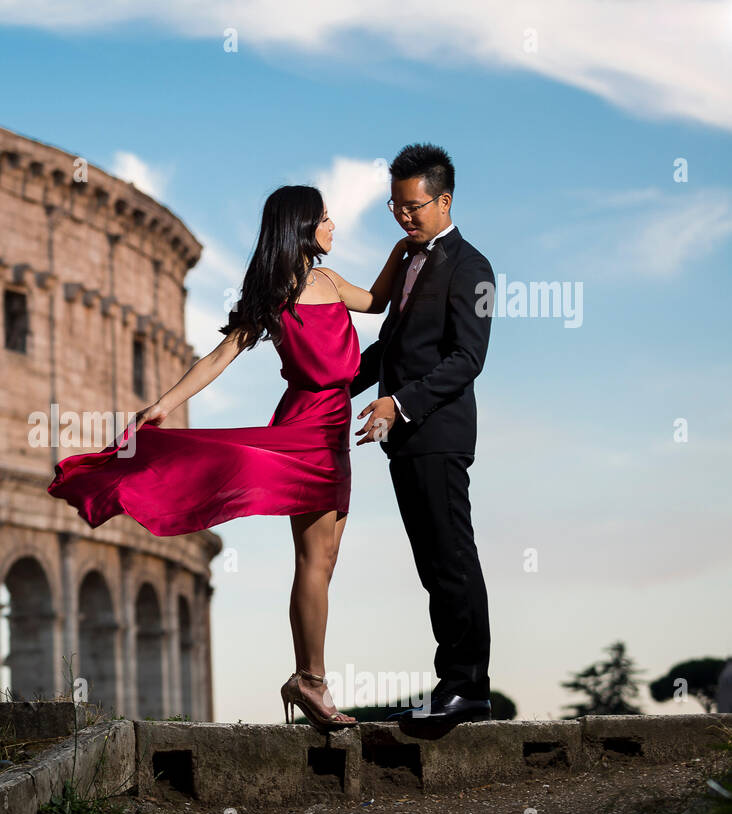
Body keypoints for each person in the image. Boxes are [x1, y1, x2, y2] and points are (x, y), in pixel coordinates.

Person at [47, 184, 405, 731]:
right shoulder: (275, 290)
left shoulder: (330, 279)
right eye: (326, 219)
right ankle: (312, 681)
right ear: (303, 225)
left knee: (326, 558)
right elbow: (220, 356)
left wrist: (403, 251)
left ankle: (302, 678)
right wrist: (164, 404)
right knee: (312, 559)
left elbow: (377, 302)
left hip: (336, 428)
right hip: (303, 425)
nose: (334, 227)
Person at [351, 143, 496, 726]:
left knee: (452, 558)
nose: (403, 216)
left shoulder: (473, 267)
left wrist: (398, 403)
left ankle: (468, 688)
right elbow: (392, 346)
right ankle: (453, 685)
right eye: (395, 206)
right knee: (432, 566)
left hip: (440, 434)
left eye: (413, 206)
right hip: (405, 440)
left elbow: (468, 358)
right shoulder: (409, 260)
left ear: (444, 200)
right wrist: (336, 386)